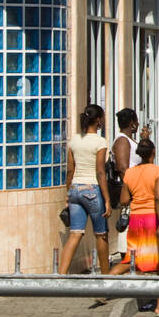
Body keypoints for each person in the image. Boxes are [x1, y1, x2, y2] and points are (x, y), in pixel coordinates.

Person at [111, 138, 159, 316]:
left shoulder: (130, 173)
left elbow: (123, 200)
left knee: (132, 258)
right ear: (153, 153)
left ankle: (103, 283)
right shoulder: (158, 172)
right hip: (153, 219)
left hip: (136, 220)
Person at [59, 104, 111, 275]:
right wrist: (107, 199)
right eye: (101, 118)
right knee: (101, 234)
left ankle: (59, 276)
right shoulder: (100, 142)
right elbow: (100, 172)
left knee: (75, 233)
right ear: (98, 120)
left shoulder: (74, 140)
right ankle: (105, 279)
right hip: (92, 190)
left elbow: (70, 170)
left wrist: (69, 193)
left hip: (75, 189)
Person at [107, 107, 141, 261]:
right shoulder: (122, 140)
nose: (139, 124)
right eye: (137, 121)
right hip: (129, 189)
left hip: (135, 187)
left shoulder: (129, 140)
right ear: (132, 123)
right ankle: (126, 259)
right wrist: (131, 189)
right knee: (127, 221)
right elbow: (122, 167)